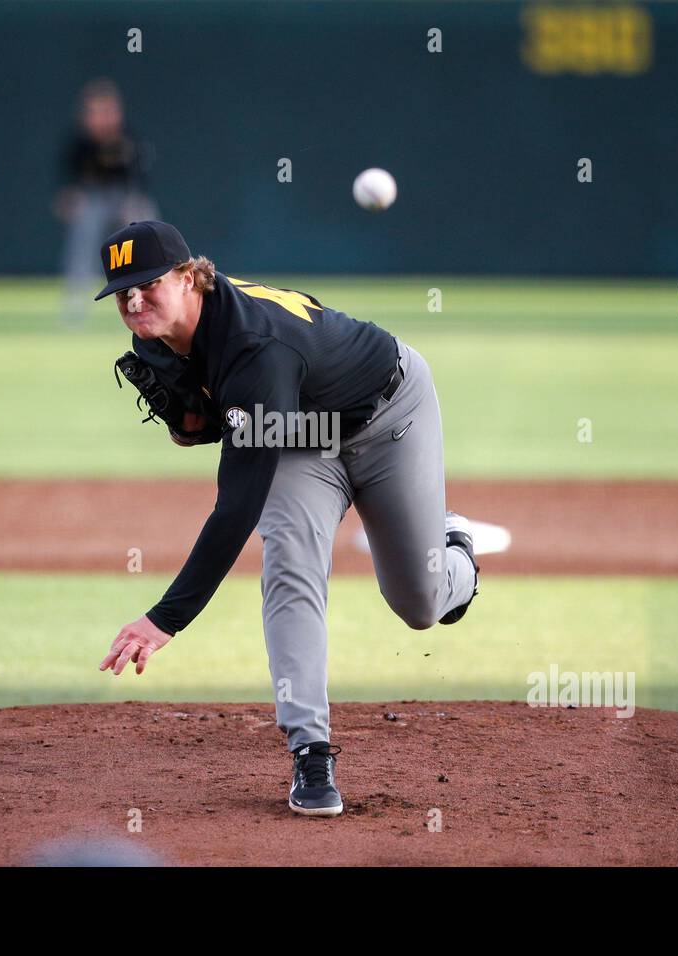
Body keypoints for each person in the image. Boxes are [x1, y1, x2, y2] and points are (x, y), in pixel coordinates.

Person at [97, 221, 480, 818]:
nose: (133, 301)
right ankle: (311, 753)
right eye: (121, 292)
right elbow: (207, 423)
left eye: (147, 285)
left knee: (421, 604)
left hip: (390, 416)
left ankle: (454, 545)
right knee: (290, 564)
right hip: (300, 439)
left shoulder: (256, 350)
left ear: (191, 277)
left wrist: (164, 619)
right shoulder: (157, 336)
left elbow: (236, 505)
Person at [52, 79, 157, 324]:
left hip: (124, 198)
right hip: (93, 199)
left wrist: (135, 202)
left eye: (107, 111)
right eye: (95, 112)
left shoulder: (128, 138)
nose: (102, 118)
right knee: (85, 225)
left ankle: (155, 294)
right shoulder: (79, 143)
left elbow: (141, 180)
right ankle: (76, 304)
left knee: (146, 222)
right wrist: (69, 197)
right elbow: (67, 184)